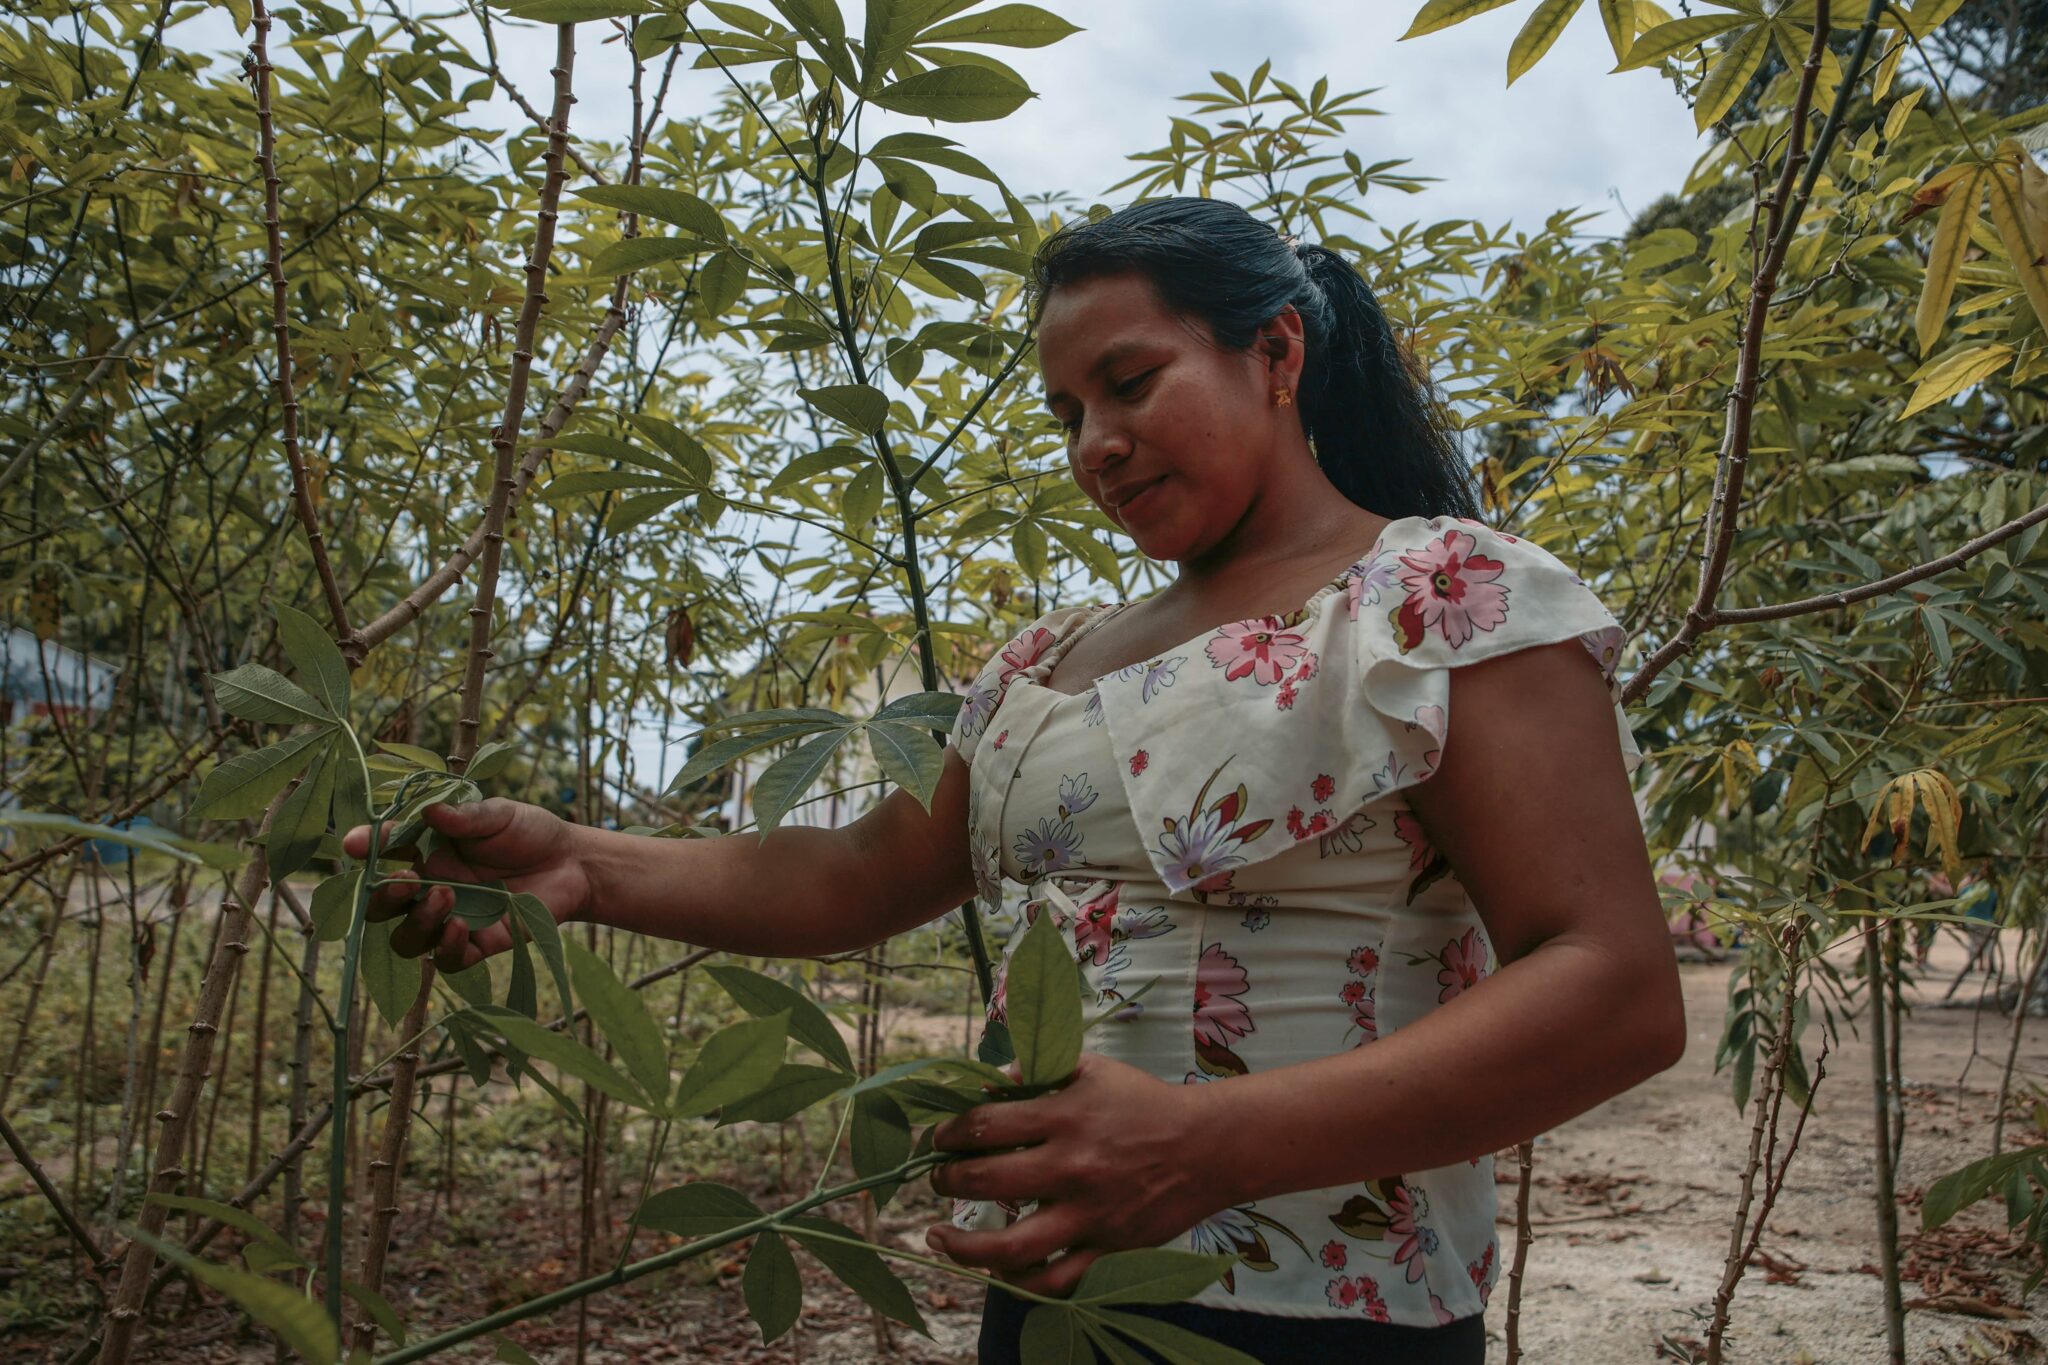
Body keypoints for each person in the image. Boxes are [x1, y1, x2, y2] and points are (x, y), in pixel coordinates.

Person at [347, 197, 1686, 1364]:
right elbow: (864, 870)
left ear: (1276, 349)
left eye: (1131, 381)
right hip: (1059, 1296)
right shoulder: (1056, 657)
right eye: (1067, 411)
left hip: (1332, 1316)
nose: (1095, 441)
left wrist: (1207, 1144)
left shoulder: (1441, 596)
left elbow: (1614, 987)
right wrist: (579, 864)